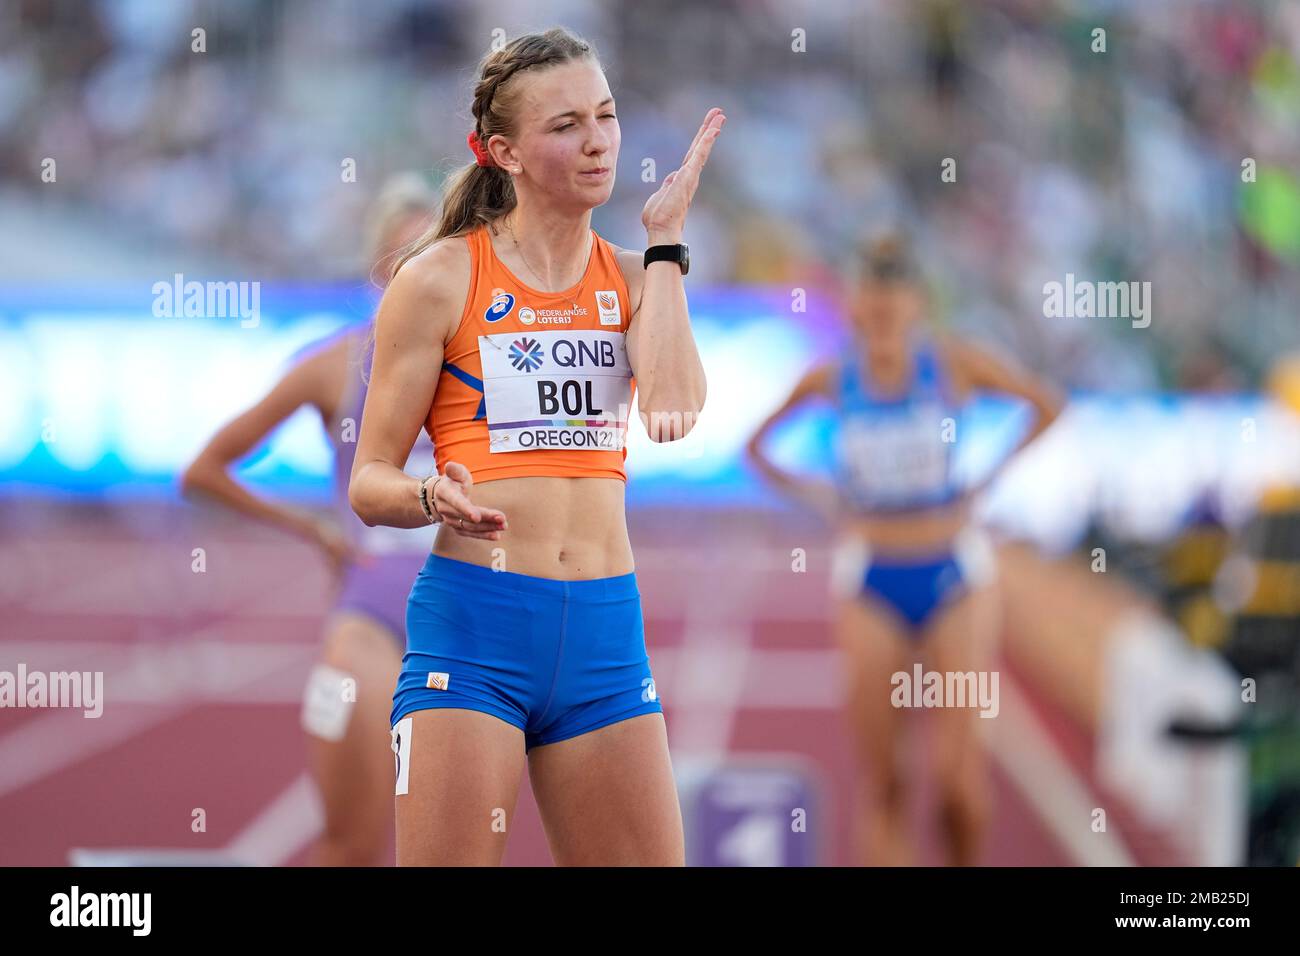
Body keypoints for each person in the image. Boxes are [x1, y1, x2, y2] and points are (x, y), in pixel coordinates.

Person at [348, 27, 725, 866]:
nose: (597, 141)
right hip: (474, 633)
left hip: (603, 636)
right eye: (566, 125)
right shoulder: (440, 278)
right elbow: (368, 480)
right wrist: (426, 496)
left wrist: (665, 242)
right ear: (502, 152)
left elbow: (675, 406)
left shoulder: (634, 274)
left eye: (607, 115)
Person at [746, 234, 1063, 865]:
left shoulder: (952, 364)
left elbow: (1045, 407)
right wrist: (818, 496)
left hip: (954, 573)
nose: (884, 308)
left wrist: (988, 478)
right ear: (856, 305)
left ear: (917, 302)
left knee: (958, 785)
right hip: (871, 577)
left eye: (895, 296)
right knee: (885, 781)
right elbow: (756, 448)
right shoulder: (833, 378)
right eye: (872, 296)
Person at [180, 174, 437, 865]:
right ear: (374, 270)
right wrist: (314, 530)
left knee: (455, 845)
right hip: (372, 616)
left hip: (475, 614)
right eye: (398, 260)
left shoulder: (492, 359)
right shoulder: (334, 366)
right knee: (349, 844)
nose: (414, 275)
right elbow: (204, 469)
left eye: (431, 255)